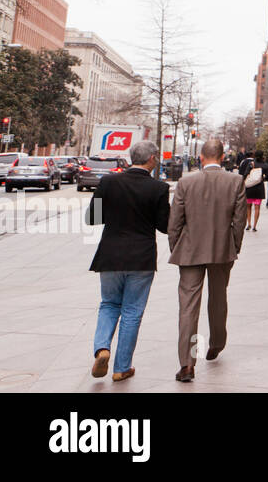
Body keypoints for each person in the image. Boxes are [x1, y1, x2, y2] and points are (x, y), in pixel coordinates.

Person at [86, 140, 170, 383]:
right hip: (141, 258)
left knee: (109, 304)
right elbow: (164, 227)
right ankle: (122, 368)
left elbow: (92, 217)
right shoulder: (159, 188)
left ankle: (102, 348)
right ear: (152, 159)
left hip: (110, 255)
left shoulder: (109, 182)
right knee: (132, 310)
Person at [167, 137, 247, 383]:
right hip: (222, 250)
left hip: (190, 251)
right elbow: (239, 221)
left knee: (188, 307)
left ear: (201, 157)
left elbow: (175, 223)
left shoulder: (186, 182)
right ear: (223, 157)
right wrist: (234, 247)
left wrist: (177, 248)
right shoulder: (236, 181)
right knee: (219, 297)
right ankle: (216, 343)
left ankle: (187, 364)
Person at [239, 150, 266, 231]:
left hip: (250, 188)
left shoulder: (252, 164)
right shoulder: (265, 165)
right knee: (257, 208)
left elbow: (245, 174)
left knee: (248, 207)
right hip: (259, 188)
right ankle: (255, 226)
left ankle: (249, 224)